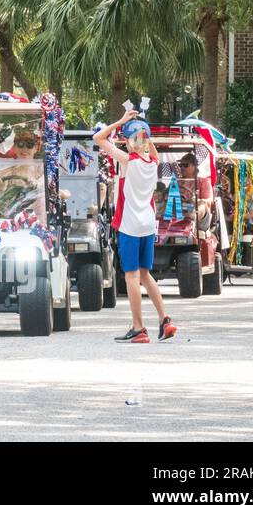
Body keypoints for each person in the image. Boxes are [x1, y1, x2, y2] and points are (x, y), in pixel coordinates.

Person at [95, 109, 176, 344]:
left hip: (130, 224)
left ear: (129, 142)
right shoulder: (153, 161)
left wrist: (120, 120)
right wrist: (143, 132)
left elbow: (98, 138)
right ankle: (165, 319)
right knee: (145, 273)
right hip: (148, 224)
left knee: (131, 275)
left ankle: (139, 327)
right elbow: (149, 148)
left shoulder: (127, 161)